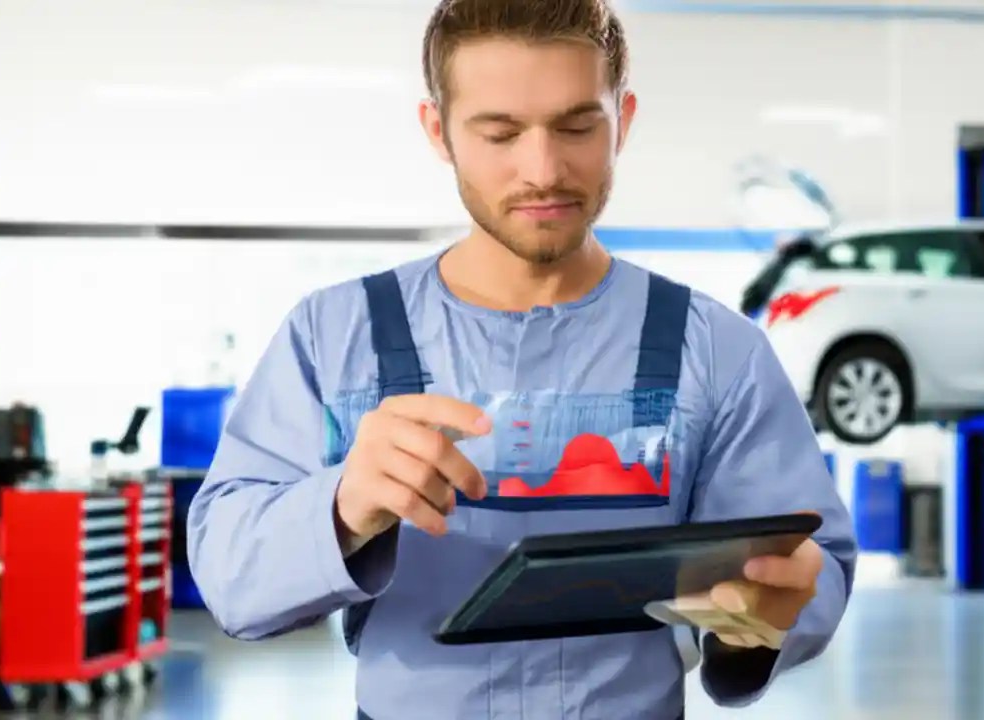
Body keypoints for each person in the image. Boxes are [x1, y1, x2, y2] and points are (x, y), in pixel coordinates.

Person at [186, 1, 857, 718]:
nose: (543, 170)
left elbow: (808, 567)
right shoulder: (332, 334)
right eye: (500, 133)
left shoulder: (718, 351)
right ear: (437, 131)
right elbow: (230, 578)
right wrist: (345, 506)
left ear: (622, 120)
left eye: (577, 126)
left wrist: (764, 614)